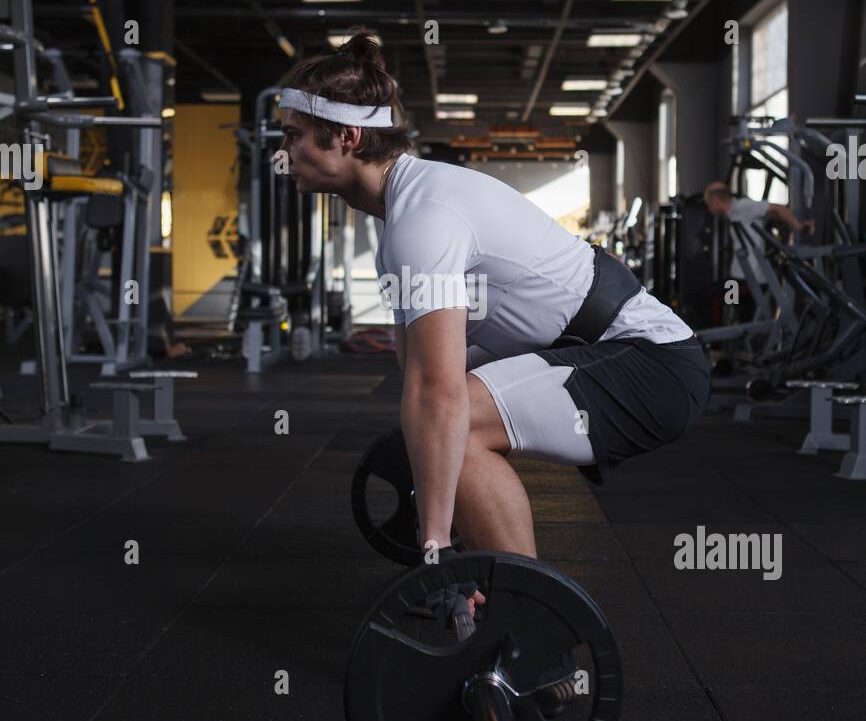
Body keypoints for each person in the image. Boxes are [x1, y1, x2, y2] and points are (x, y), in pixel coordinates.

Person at [280, 30, 711, 608]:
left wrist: (434, 547)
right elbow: (421, 376)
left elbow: (440, 395)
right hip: (597, 350)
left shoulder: (423, 218)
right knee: (443, 423)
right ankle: (507, 600)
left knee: (459, 426)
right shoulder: (402, 217)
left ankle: (531, 628)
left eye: (292, 136)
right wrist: (432, 486)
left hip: (653, 363)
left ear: (346, 138)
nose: (282, 154)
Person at [703, 181, 814, 315]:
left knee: (710, 298)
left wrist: (799, 226)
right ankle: (734, 331)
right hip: (738, 277)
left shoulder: (743, 206)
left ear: (716, 201)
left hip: (749, 280)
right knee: (734, 308)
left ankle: (713, 334)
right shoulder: (732, 213)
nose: (708, 208)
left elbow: (778, 208)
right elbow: (772, 214)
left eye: (708, 204)